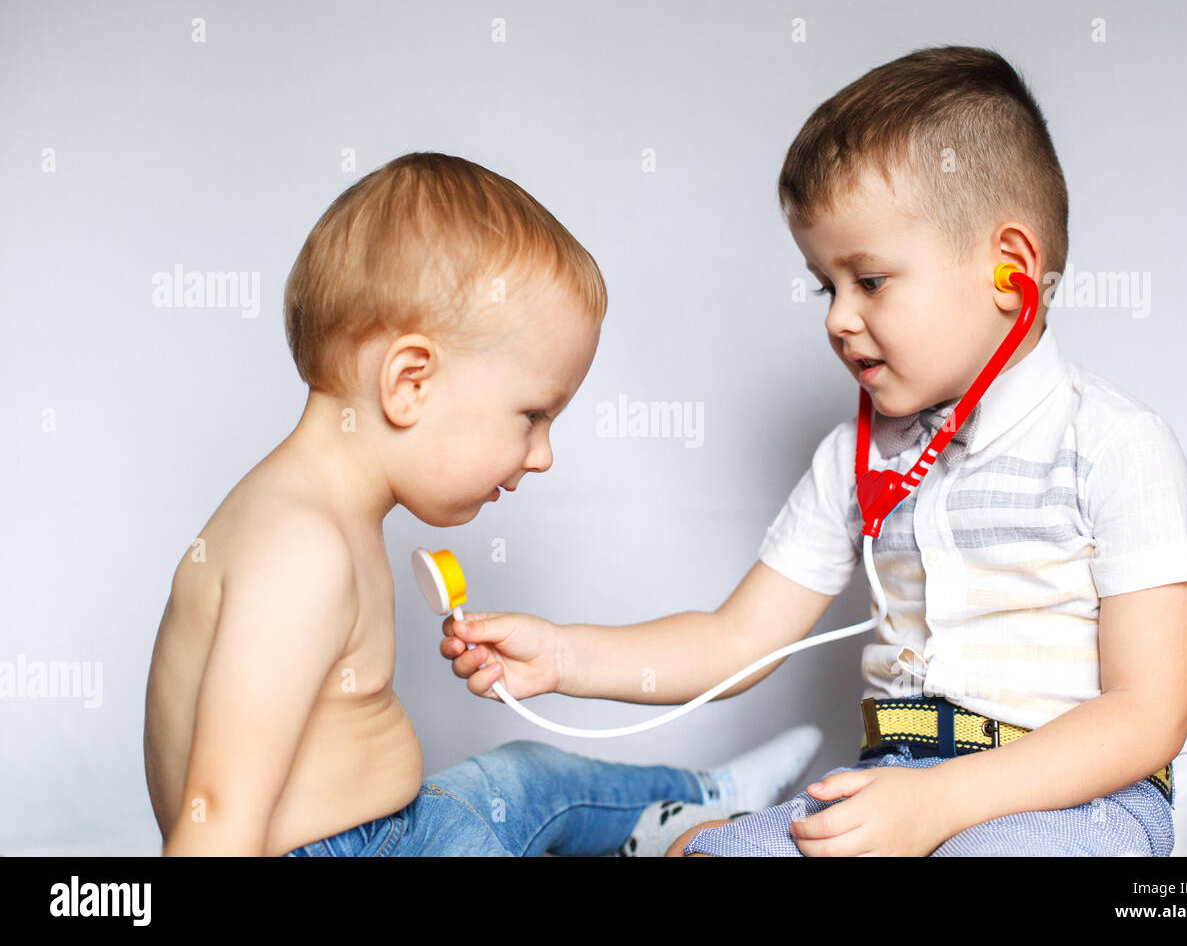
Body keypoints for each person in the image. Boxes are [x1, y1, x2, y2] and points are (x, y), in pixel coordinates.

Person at [440, 46, 1187, 857]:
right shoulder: (852, 460)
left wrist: (942, 805)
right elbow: (733, 641)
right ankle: (687, 830)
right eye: (827, 285)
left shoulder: (1118, 447)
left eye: (871, 280)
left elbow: (1147, 715)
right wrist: (563, 655)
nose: (838, 318)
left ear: (1012, 271)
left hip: (1075, 801)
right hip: (893, 779)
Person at [143, 151, 822, 856]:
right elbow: (217, 812)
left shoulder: (305, 510)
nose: (543, 455)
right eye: (532, 415)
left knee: (529, 778)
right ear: (410, 382)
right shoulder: (300, 548)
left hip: (404, 833)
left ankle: (709, 801)